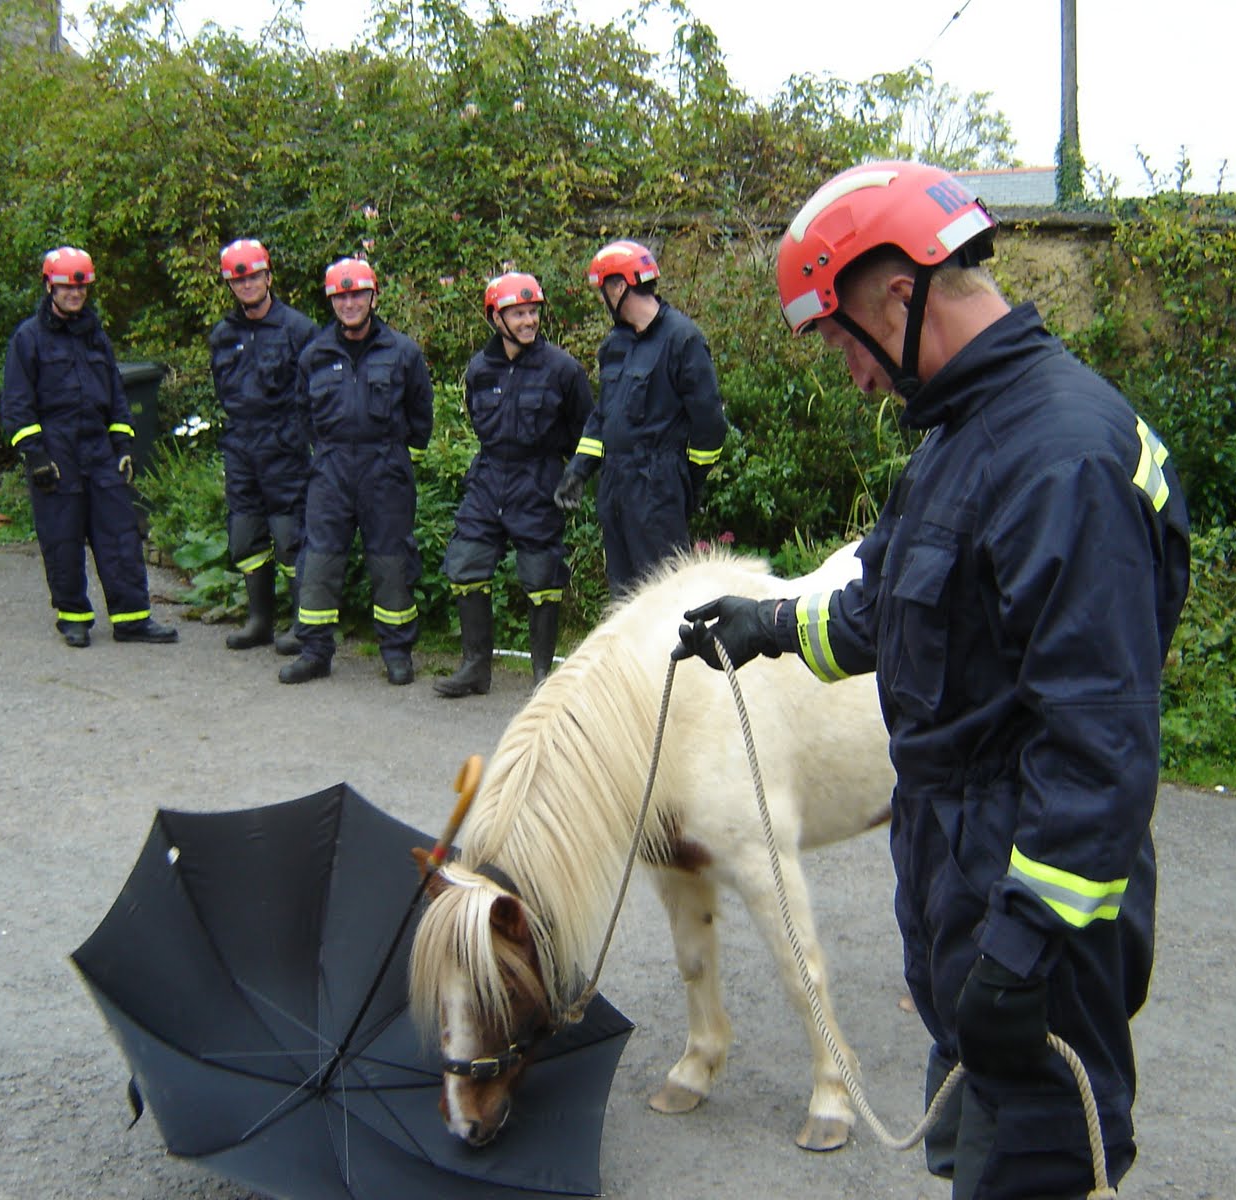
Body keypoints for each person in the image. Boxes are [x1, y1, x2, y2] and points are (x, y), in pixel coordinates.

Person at [673, 162, 1190, 1199]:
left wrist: (1022, 945)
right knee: (971, 1162)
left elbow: (1098, 746)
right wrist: (768, 626)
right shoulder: (967, 436)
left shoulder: (1061, 459)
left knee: (1031, 1172)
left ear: (899, 296)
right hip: (968, 898)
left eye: (836, 334)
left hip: (1031, 936)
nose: (843, 368)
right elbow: (892, 613)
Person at [0, 246, 179, 648]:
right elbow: (16, 402)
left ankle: (132, 618)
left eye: (81, 287)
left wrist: (124, 443)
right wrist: (36, 454)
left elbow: (115, 395)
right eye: (66, 286)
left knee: (119, 535)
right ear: (50, 286)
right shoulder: (28, 338)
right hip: (56, 452)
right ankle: (74, 618)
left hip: (99, 450)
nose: (74, 294)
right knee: (62, 537)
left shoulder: (95, 335)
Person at [434, 270, 593, 697]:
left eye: (532, 312)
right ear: (495, 318)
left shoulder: (563, 369)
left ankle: (543, 676)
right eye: (517, 313)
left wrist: (576, 473)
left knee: (542, 577)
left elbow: (589, 428)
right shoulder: (479, 369)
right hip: (488, 478)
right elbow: (476, 418)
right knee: (466, 564)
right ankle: (475, 668)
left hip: (539, 479)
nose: (528, 321)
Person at [279, 256, 433, 686]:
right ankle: (315, 651)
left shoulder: (402, 351)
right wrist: (328, 454)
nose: (349, 303)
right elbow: (303, 413)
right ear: (332, 301)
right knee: (321, 561)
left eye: (356, 294)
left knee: (390, 562)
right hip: (331, 470)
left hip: (385, 469)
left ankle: (397, 652)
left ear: (372, 296)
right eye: (340, 296)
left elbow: (421, 414)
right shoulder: (315, 354)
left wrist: (401, 461)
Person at [554, 239, 725, 595]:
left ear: (619, 287)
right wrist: (579, 469)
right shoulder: (615, 345)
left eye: (603, 288)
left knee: (663, 596)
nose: (602, 298)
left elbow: (710, 427)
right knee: (624, 596)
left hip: (658, 486)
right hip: (616, 484)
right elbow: (603, 417)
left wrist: (684, 483)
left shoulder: (683, 340)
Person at [208, 238, 318, 655]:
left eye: (254, 276)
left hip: (285, 445)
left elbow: (314, 393)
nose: (247, 284)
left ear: (268, 277)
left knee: (290, 537)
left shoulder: (298, 329)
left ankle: (301, 624)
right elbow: (224, 391)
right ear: (230, 285)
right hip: (241, 446)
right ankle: (259, 621)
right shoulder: (223, 334)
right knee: (244, 537)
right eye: (239, 279)